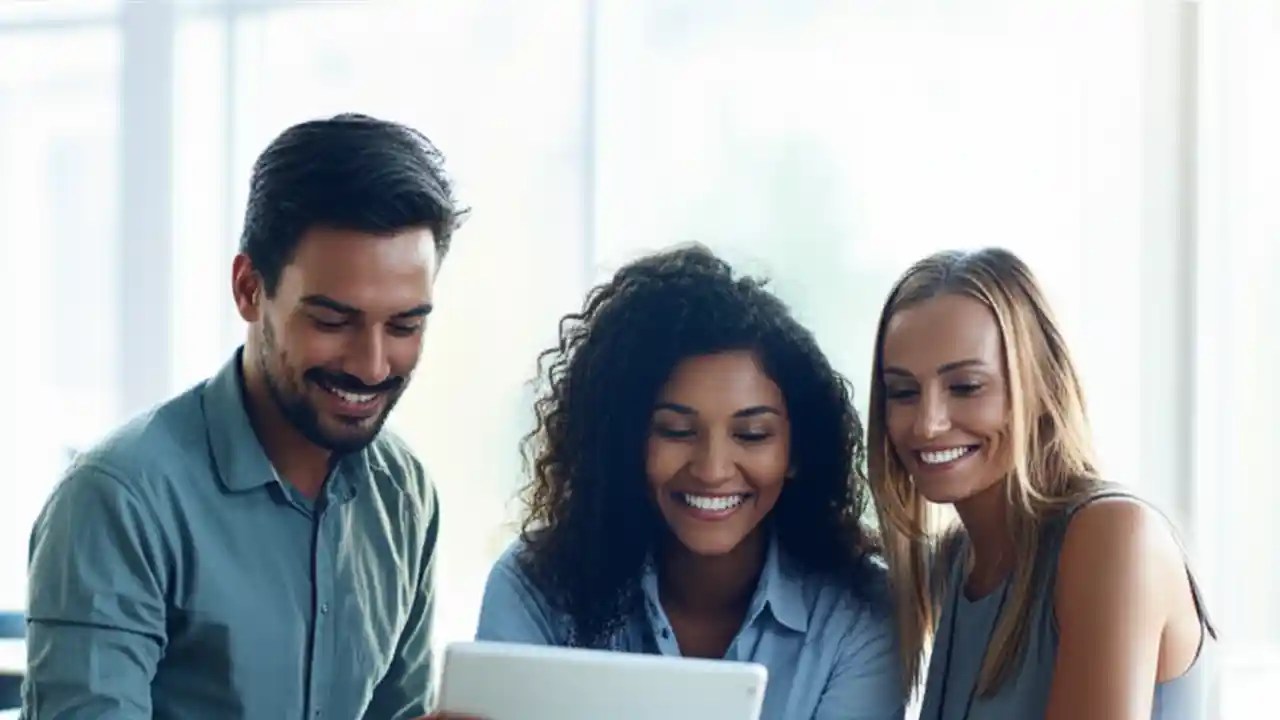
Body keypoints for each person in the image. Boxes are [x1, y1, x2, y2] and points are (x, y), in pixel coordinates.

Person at [23, 113, 467, 719]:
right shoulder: (119, 501)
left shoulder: (404, 496)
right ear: (250, 289)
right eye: (333, 321)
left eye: (405, 325)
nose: (371, 365)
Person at [476, 245, 905, 720]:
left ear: (796, 450)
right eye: (676, 431)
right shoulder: (535, 587)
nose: (713, 468)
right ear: (624, 441)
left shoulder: (859, 614)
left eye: (751, 434)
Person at [867, 248, 1215, 719]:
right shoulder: (954, 566)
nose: (928, 424)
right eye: (904, 392)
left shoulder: (1113, 535)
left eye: (966, 387)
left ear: (1041, 385)